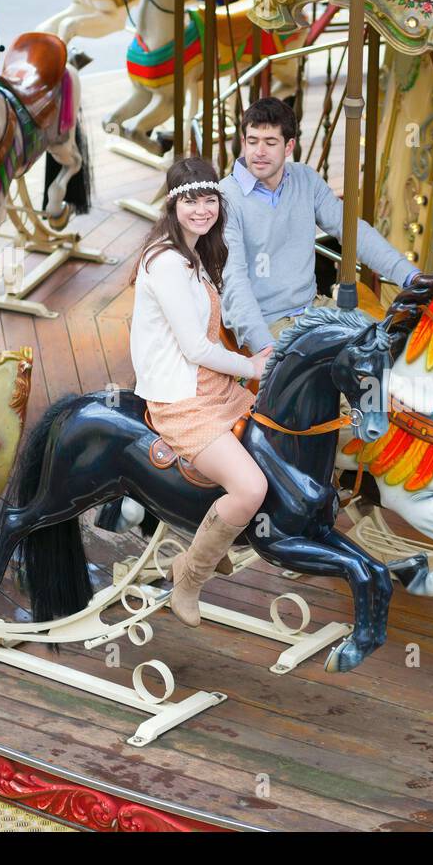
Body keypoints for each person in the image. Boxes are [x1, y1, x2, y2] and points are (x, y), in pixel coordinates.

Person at [129, 157, 271, 627]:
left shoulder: (193, 256)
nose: (202, 209)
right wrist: (250, 365)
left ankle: (216, 538)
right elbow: (194, 347)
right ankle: (188, 577)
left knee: (280, 440)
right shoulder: (167, 262)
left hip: (214, 387)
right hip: (182, 399)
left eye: (209, 199)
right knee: (251, 486)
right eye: (191, 200)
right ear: (173, 205)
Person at [219, 96, 422, 352]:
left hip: (314, 308)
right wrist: (264, 347)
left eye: (270, 143)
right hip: (267, 321)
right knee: (347, 370)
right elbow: (234, 281)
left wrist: (409, 276)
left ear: (289, 146)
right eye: (252, 141)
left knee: (390, 348)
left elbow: (352, 230)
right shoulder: (226, 197)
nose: (259, 152)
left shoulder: (304, 179)